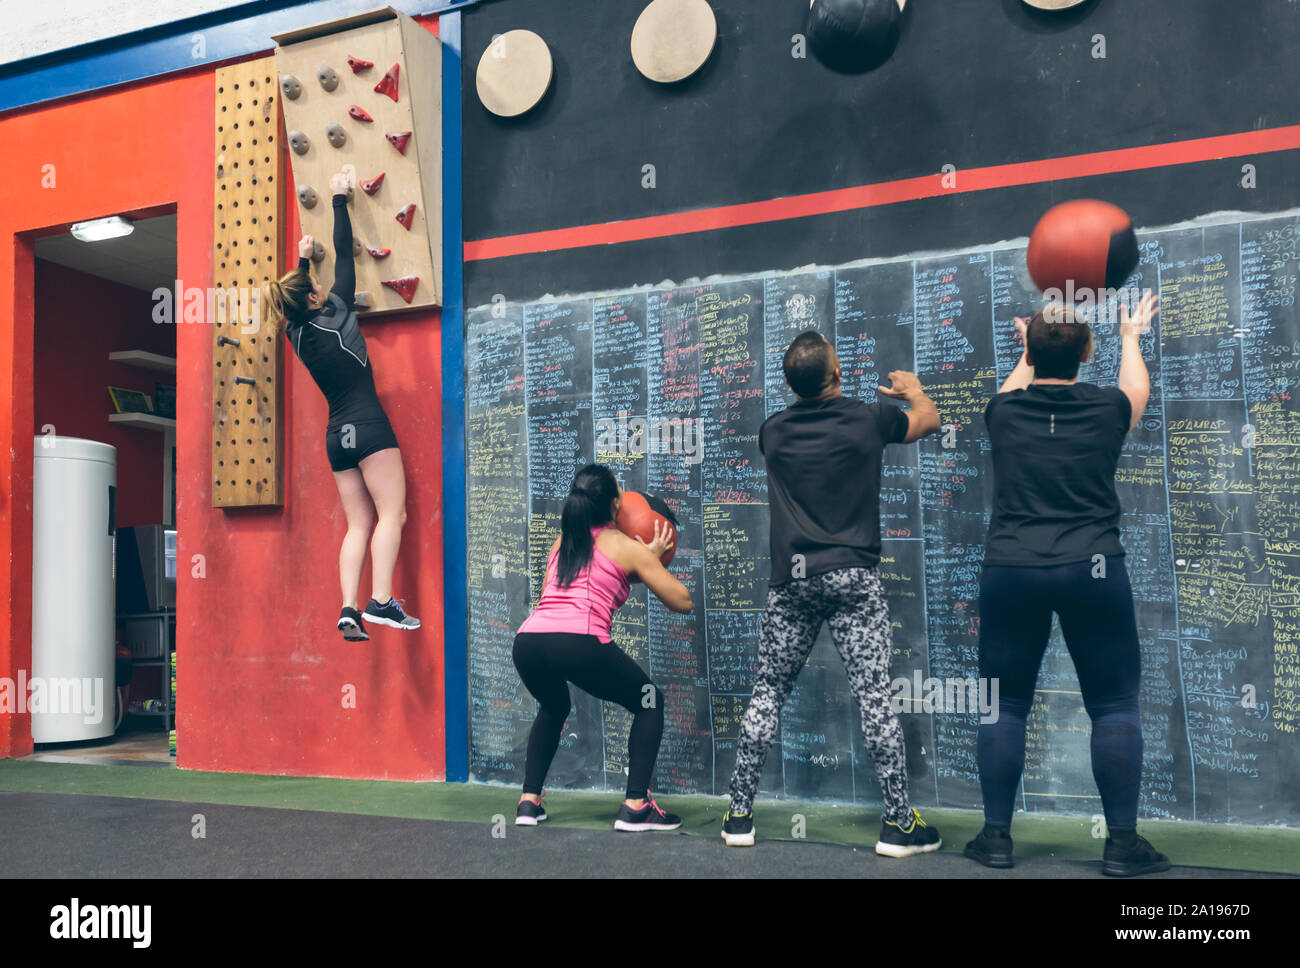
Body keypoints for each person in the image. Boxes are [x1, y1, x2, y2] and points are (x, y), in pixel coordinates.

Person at [965, 292, 1171, 877]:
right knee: (1113, 704)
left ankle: (996, 840)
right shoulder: (1108, 408)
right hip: (1093, 568)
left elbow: (1013, 385)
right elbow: (1138, 392)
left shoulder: (1003, 412)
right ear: (1088, 351)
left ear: (1027, 352)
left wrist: (1030, 345)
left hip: (1012, 569)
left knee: (1003, 704)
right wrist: (1131, 336)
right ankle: (1122, 847)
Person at [721, 331, 944, 855]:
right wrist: (913, 390)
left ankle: (737, 817)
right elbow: (931, 420)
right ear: (837, 375)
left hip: (793, 582)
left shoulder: (771, 431)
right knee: (873, 697)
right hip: (852, 579)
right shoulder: (870, 420)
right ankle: (897, 825)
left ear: (789, 384)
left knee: (767, 692)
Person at [261, 170, 418, 641]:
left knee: (358, 523)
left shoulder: (297, 334)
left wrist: (303, 262)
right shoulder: (337, 313)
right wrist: (338, 199)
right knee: (393, 514)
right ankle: (382, 601)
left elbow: (296, 301)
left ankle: (348, 607)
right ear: (314, 296)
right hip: (368, 426)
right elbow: (345, 255)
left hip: (337, 438)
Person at [512, 464, 694, 831]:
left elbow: (590, 577)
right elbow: (682, 601)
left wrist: (640, 563)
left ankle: (528, 803)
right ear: (615, 505)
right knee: (649, 701)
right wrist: (650, 560)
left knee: (553, 705)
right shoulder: (628, 547)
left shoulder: (563, 542)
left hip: (529, 641)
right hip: (578, 640)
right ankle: (636, 806)